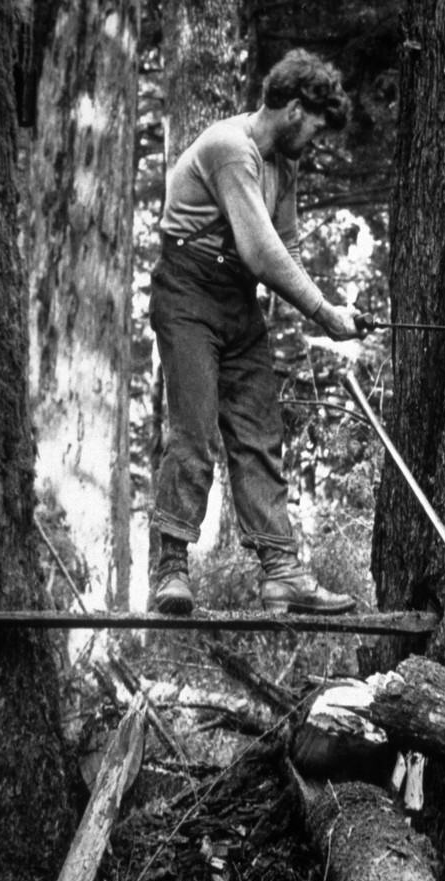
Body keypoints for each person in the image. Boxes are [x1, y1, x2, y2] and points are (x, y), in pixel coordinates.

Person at [149, 49, 367, 616]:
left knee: (258, 435)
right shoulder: (230, 148)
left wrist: (329, 314)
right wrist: (322, 310)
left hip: (238, 302)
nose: (316, 141)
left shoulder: (283, 164)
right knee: (193, 433)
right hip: (188, 293)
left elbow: (286, 247)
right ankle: (171, 567)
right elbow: (260, 250)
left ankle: (281, 573)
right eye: (317, 127)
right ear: (295, 109)